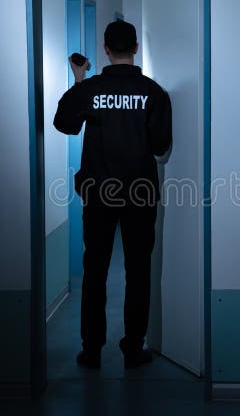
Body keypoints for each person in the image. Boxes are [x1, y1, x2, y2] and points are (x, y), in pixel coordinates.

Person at [53, 20, 172, 369]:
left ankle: (91, 350)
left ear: (105, 48)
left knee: (95, 269)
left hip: (98, 191)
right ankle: (133, 348)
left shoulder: (89, 89)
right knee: (138, 270)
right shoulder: (154, 93)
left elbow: (65, 124)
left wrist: (78, 81)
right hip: (139, 192)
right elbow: (161, 146)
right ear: (135, 48)